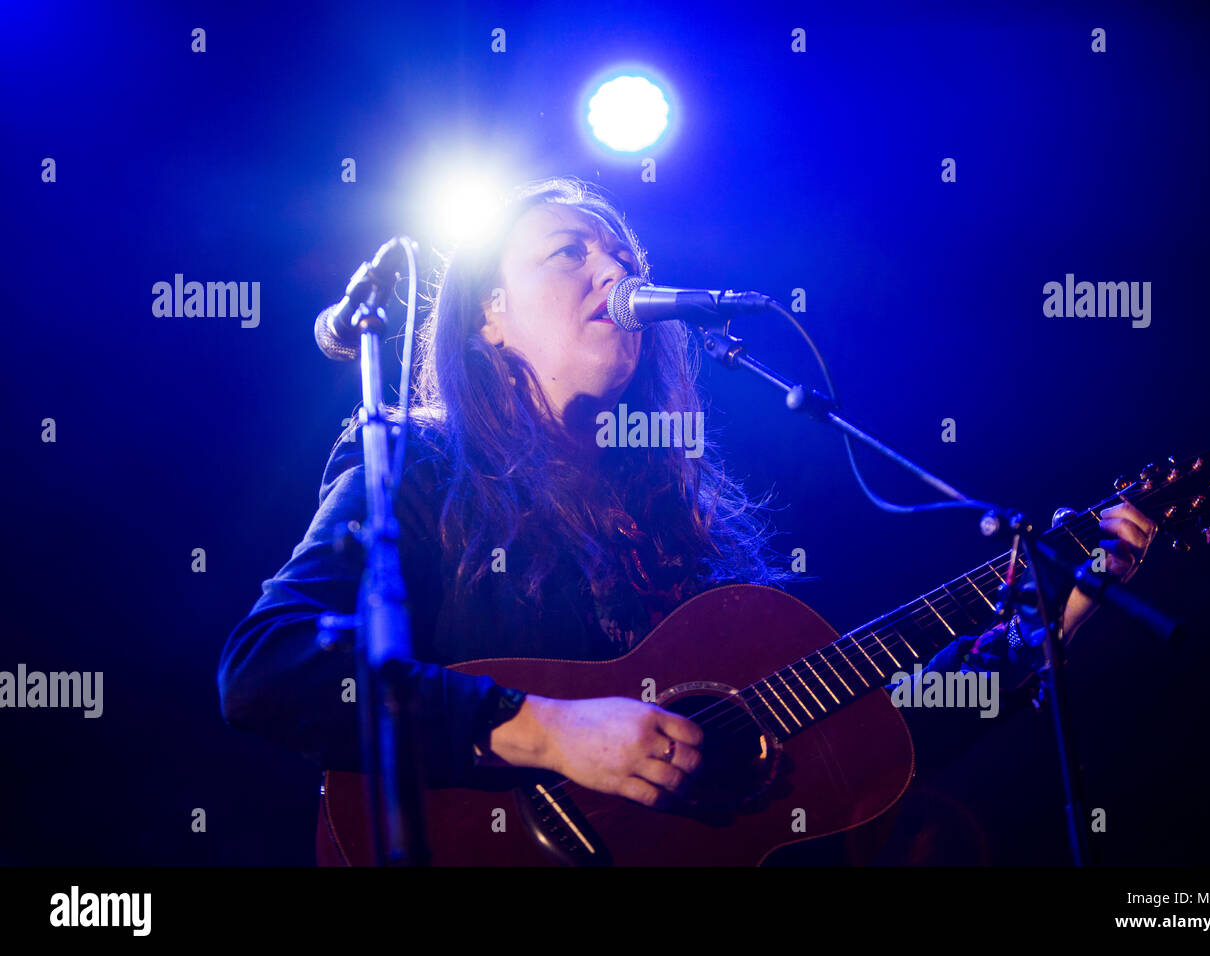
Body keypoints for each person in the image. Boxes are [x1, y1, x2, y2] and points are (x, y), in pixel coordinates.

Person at [217, 176, 1156, 861]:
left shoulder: (676, 514)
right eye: (569, 252)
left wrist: (1039, 632)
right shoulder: (420, 464)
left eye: (623, 254)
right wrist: (545, 730)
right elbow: (269, 667)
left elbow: (850, 746)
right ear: (490, 316)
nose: (613, 270)